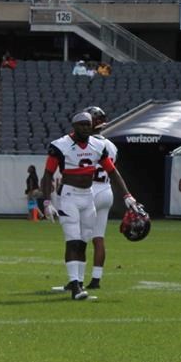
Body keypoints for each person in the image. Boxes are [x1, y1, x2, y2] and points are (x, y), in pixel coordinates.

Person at [41, 112, 144, 300]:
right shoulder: (60, 145)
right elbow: (47, 174)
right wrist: (47, 202)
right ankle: (74, 286)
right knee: (72, 240)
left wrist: (127, 195)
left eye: (88, 125)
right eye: (81, 125)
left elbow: (113, 172)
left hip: (88, 197)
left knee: (83, 242)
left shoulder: (98, 145)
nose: (85, 128)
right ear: (74, 126)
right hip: (69, 197)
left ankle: (79, 284)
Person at [85, 106, 119, 290]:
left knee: (80, 238)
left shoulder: (87, 143)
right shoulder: (112, 146)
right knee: (99, 238)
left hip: (88, 190)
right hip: (106, 190)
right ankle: (96, 279)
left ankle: (77, 279)